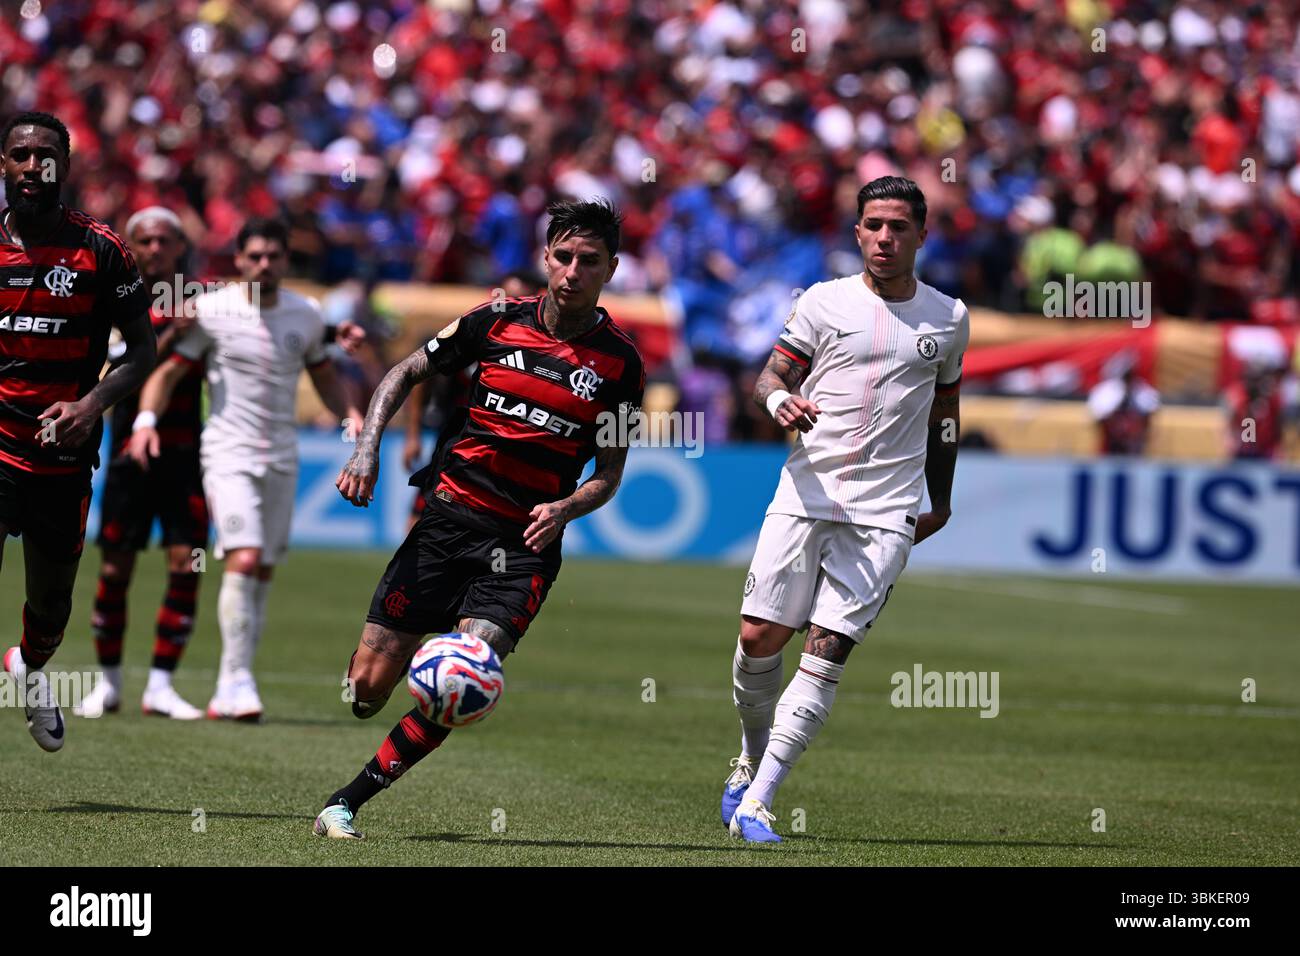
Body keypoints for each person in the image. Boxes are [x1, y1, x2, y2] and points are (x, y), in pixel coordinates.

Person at [314, 200, 644, 840]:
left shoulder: (621, 365)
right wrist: (366, 448)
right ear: (546, 258)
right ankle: (401, 663)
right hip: (445, 524)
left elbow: (609, 473)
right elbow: (408, 369)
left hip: (523, 545)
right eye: (565, 257)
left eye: (591, 261)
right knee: (365, 693)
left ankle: (345, 802)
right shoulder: (495, 320)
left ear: (612, 269)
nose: (574, 271)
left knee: (469, 672)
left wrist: (568, 505)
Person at [722, 176, 970, 843]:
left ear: (921, 234)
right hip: (806, 494)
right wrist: (781, 404)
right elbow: (769, 377)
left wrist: (939, 500)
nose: (885, 237)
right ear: (857, 232)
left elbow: (946, 413)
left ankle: (760, 803)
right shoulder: (822, 303)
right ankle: (748, 758)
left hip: (886, 509)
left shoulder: (948, 318)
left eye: (898, 226)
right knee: (758, 640)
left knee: (827, 650)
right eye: (873, 225)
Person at [127, 217, 365, 721]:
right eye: (254, 256)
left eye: (273, 256)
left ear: (284, 260)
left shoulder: (306, 314)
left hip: (282, 454)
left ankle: (234, 684)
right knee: (243, 555)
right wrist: (146, 420)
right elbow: (167, 373)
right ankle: (236, 682)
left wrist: (350, 415)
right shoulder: (212, 311)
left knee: (262, 569)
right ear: (238, 260)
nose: (264, 264)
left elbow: (323, 374)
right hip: (226, 452)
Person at [0, 111, 156, 751]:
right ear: (3, 165)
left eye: (45, 155)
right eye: (19, 154)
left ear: (64, 164)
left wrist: (90, 406)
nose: (32, 165)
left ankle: (29, 670)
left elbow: (143, 352)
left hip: (62, 459)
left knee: (51, 611)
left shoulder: (101, 248)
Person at [73, 207, 208, 720]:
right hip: (130, 452)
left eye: (164, 240)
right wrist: (172, 332)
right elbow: (117, 359)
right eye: (144, 241)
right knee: (115, 566)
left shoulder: (202, 299)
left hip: (187, 454)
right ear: (131, 247)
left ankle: (161, 686)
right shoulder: (113, 296)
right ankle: (107, 684)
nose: (154, 249)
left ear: (179, 246)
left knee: (186, 564)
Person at [1087, 355, 1160, 456]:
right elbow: (1098, 416)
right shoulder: (1105, 391)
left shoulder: (1143, 391)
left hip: (1135, 446)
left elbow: (1150, 413)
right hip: (1110, 446)